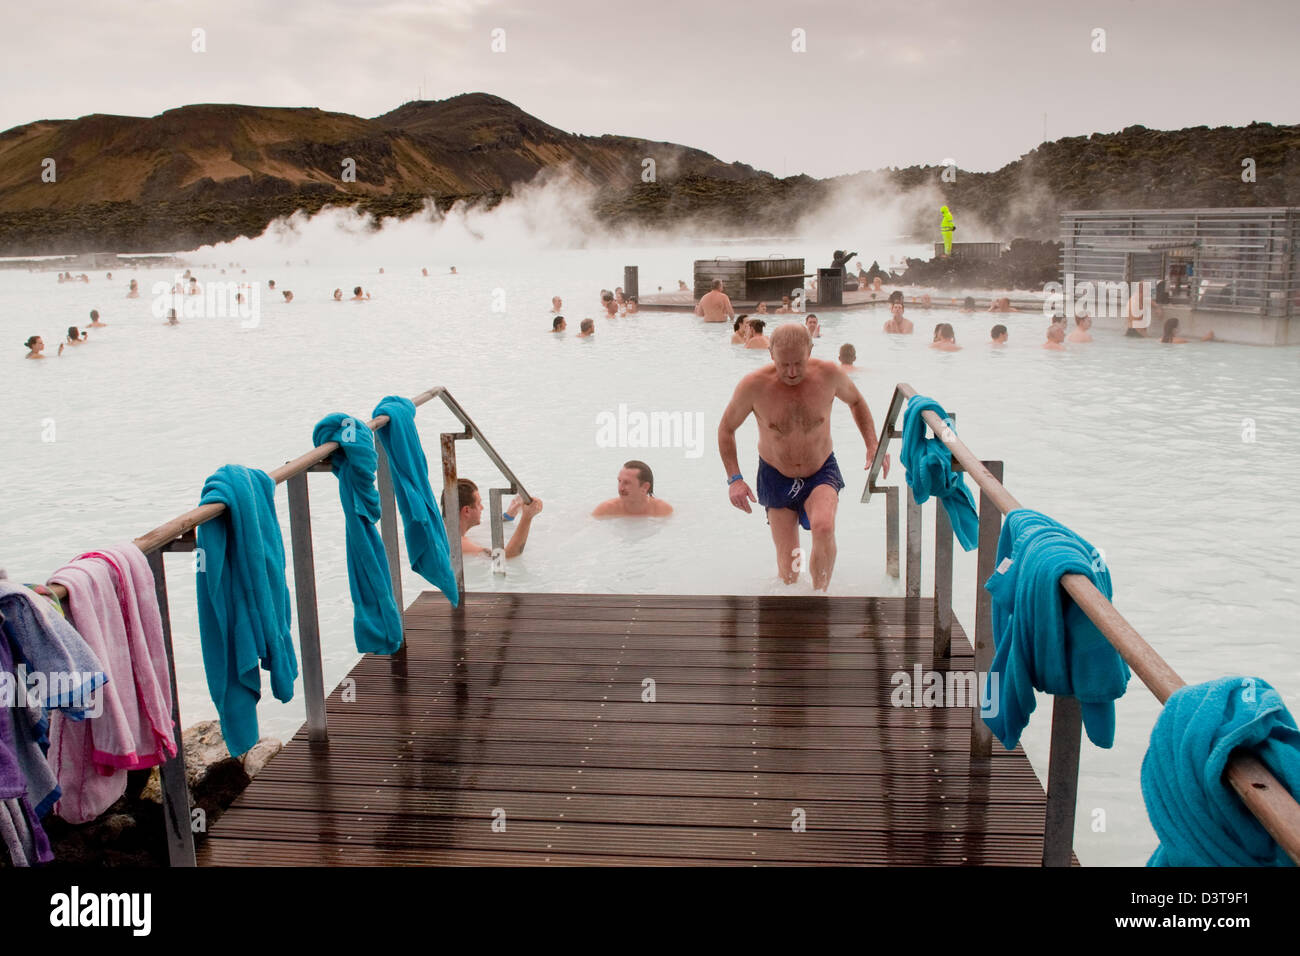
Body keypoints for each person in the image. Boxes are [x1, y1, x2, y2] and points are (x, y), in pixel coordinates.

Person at [718, 323, 889, 591]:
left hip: (820, 470)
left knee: (823, 527)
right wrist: (735, 479)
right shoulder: (753, 386)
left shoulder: (829, 375)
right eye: (784, 364)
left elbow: (856, 401)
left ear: (810, 350)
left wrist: (872, 443)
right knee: (790, 569)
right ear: (771, 355)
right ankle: (793, 593)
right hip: (776, 475)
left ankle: (820, 595)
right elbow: (726, 428)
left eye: (799, 363)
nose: (792, 372)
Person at [457, 478, 542, 558]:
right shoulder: (459, 543)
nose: (482, 508)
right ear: (467, 511)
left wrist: (508, 516)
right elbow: (502, 558)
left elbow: (484, 527)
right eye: (479, 504)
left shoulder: (451, 531)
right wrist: (527, 517)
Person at [592, 461, 673, 517]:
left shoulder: (662, 510)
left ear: (645, 487)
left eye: (627, 483)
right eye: (619, 481)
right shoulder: (606, 510)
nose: (621, 488)